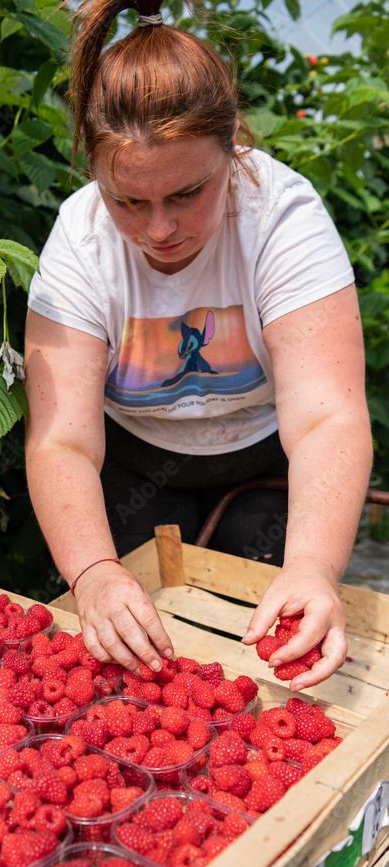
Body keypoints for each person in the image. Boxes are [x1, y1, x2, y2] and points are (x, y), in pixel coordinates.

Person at [23, 0, 373, 692]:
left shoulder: (283, 216)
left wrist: (311, 568)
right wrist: (92, 573)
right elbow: (60, 442)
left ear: (233, 147)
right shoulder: (78, 240)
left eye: (186, 193)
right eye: (128, 201)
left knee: (272, 642)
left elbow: (327, 417)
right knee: (122, 654)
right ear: (94, 172)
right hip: (129, 462)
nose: (158, 229)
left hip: (258, 460)